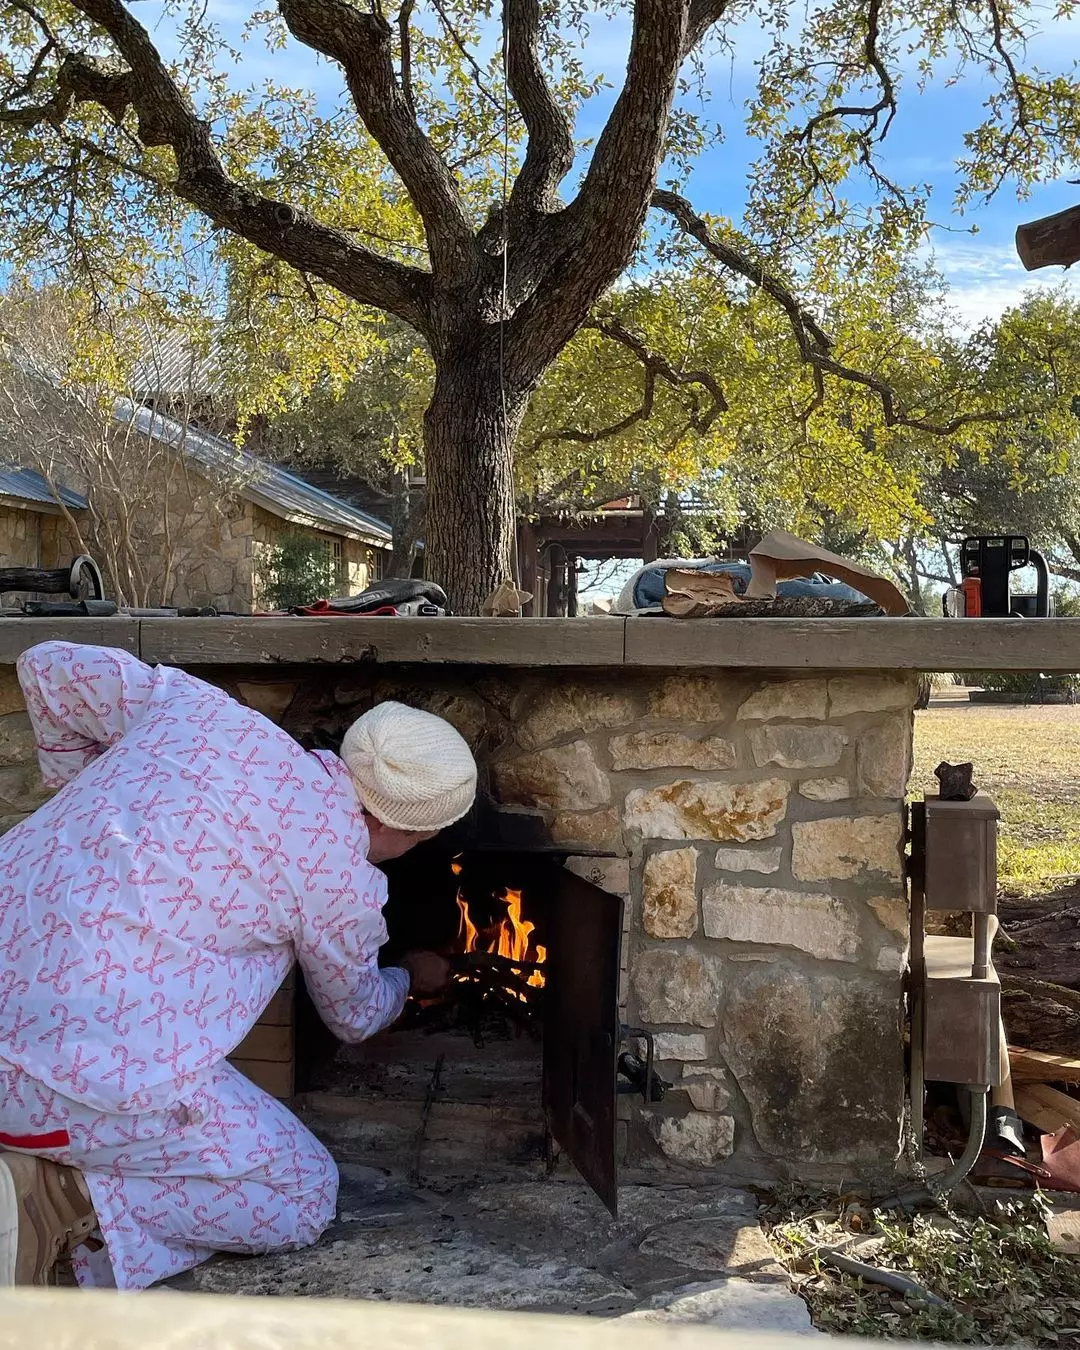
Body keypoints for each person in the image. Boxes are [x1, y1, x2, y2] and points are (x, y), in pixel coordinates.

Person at [0, 641, 476, 1290]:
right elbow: (355, 1016)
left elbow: (45, 666)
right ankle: (61, 1198)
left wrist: (80, 789)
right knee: (302, 1195)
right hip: (53, 1073)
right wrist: (408, 979)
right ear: (412, 831)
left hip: (34, 1003)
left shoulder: (204, 713)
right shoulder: (338, 878)